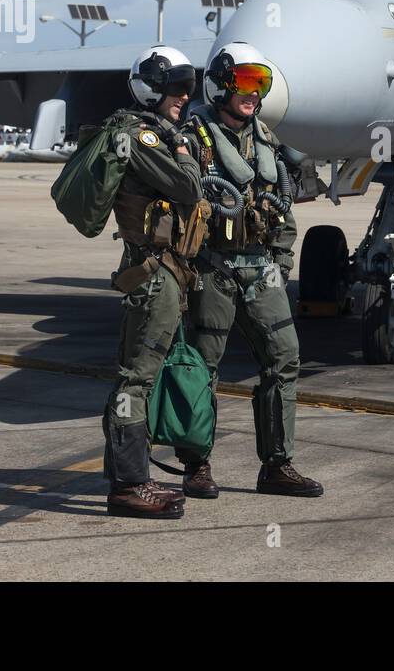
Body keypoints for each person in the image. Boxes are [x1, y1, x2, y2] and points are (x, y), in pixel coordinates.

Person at [181, 41, 323, 499]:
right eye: (244, 81)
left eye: (259, 83)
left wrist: (281, 262)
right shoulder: (190, 138)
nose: (253, 92)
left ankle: (277, 466)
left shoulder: (266, 140)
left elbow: (283, 211)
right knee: (202, 368)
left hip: (261, 271)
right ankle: (196, 465)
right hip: (213, 269)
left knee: (284, 359)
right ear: (220, 84)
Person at [102, 45, 210, 519]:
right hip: (154, 274)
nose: (184, 97)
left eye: (188, 89)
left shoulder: (151, 133)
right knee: (137, 380)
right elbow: (189, 187)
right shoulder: (144, 138)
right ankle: (129, 486)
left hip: (158, 270)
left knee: (132, 378)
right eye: (176, 89)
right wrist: (184, 149)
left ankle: (125, 477)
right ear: (151, 89)